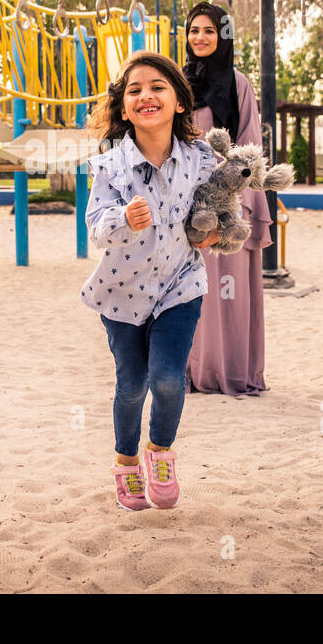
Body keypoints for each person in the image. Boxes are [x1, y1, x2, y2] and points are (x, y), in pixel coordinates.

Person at [81, 52, 220, 511]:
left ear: (179, 101)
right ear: (123, 109)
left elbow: (222, 205)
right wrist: (123, 217)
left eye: (158, 87)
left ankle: (160, 453)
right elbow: (96, 227)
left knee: (165, 379)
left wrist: (218, 229)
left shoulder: (201, 159)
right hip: (121, 294)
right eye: (135, 90)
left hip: (180, 285)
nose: (146, 95)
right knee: (133, 384)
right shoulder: (109, 167)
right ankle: (125, 462)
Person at [180, 1, 275, 396]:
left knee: (228, 288)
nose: (200, 38)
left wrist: (241, 192)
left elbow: (249, 139)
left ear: (223, 36)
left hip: (230, 198)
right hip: (187, 201)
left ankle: (230, 372)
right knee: (186, 287)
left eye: (208, 31)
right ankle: (189, 370)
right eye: (193, 30)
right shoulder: (176, 81)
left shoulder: (238, 84)